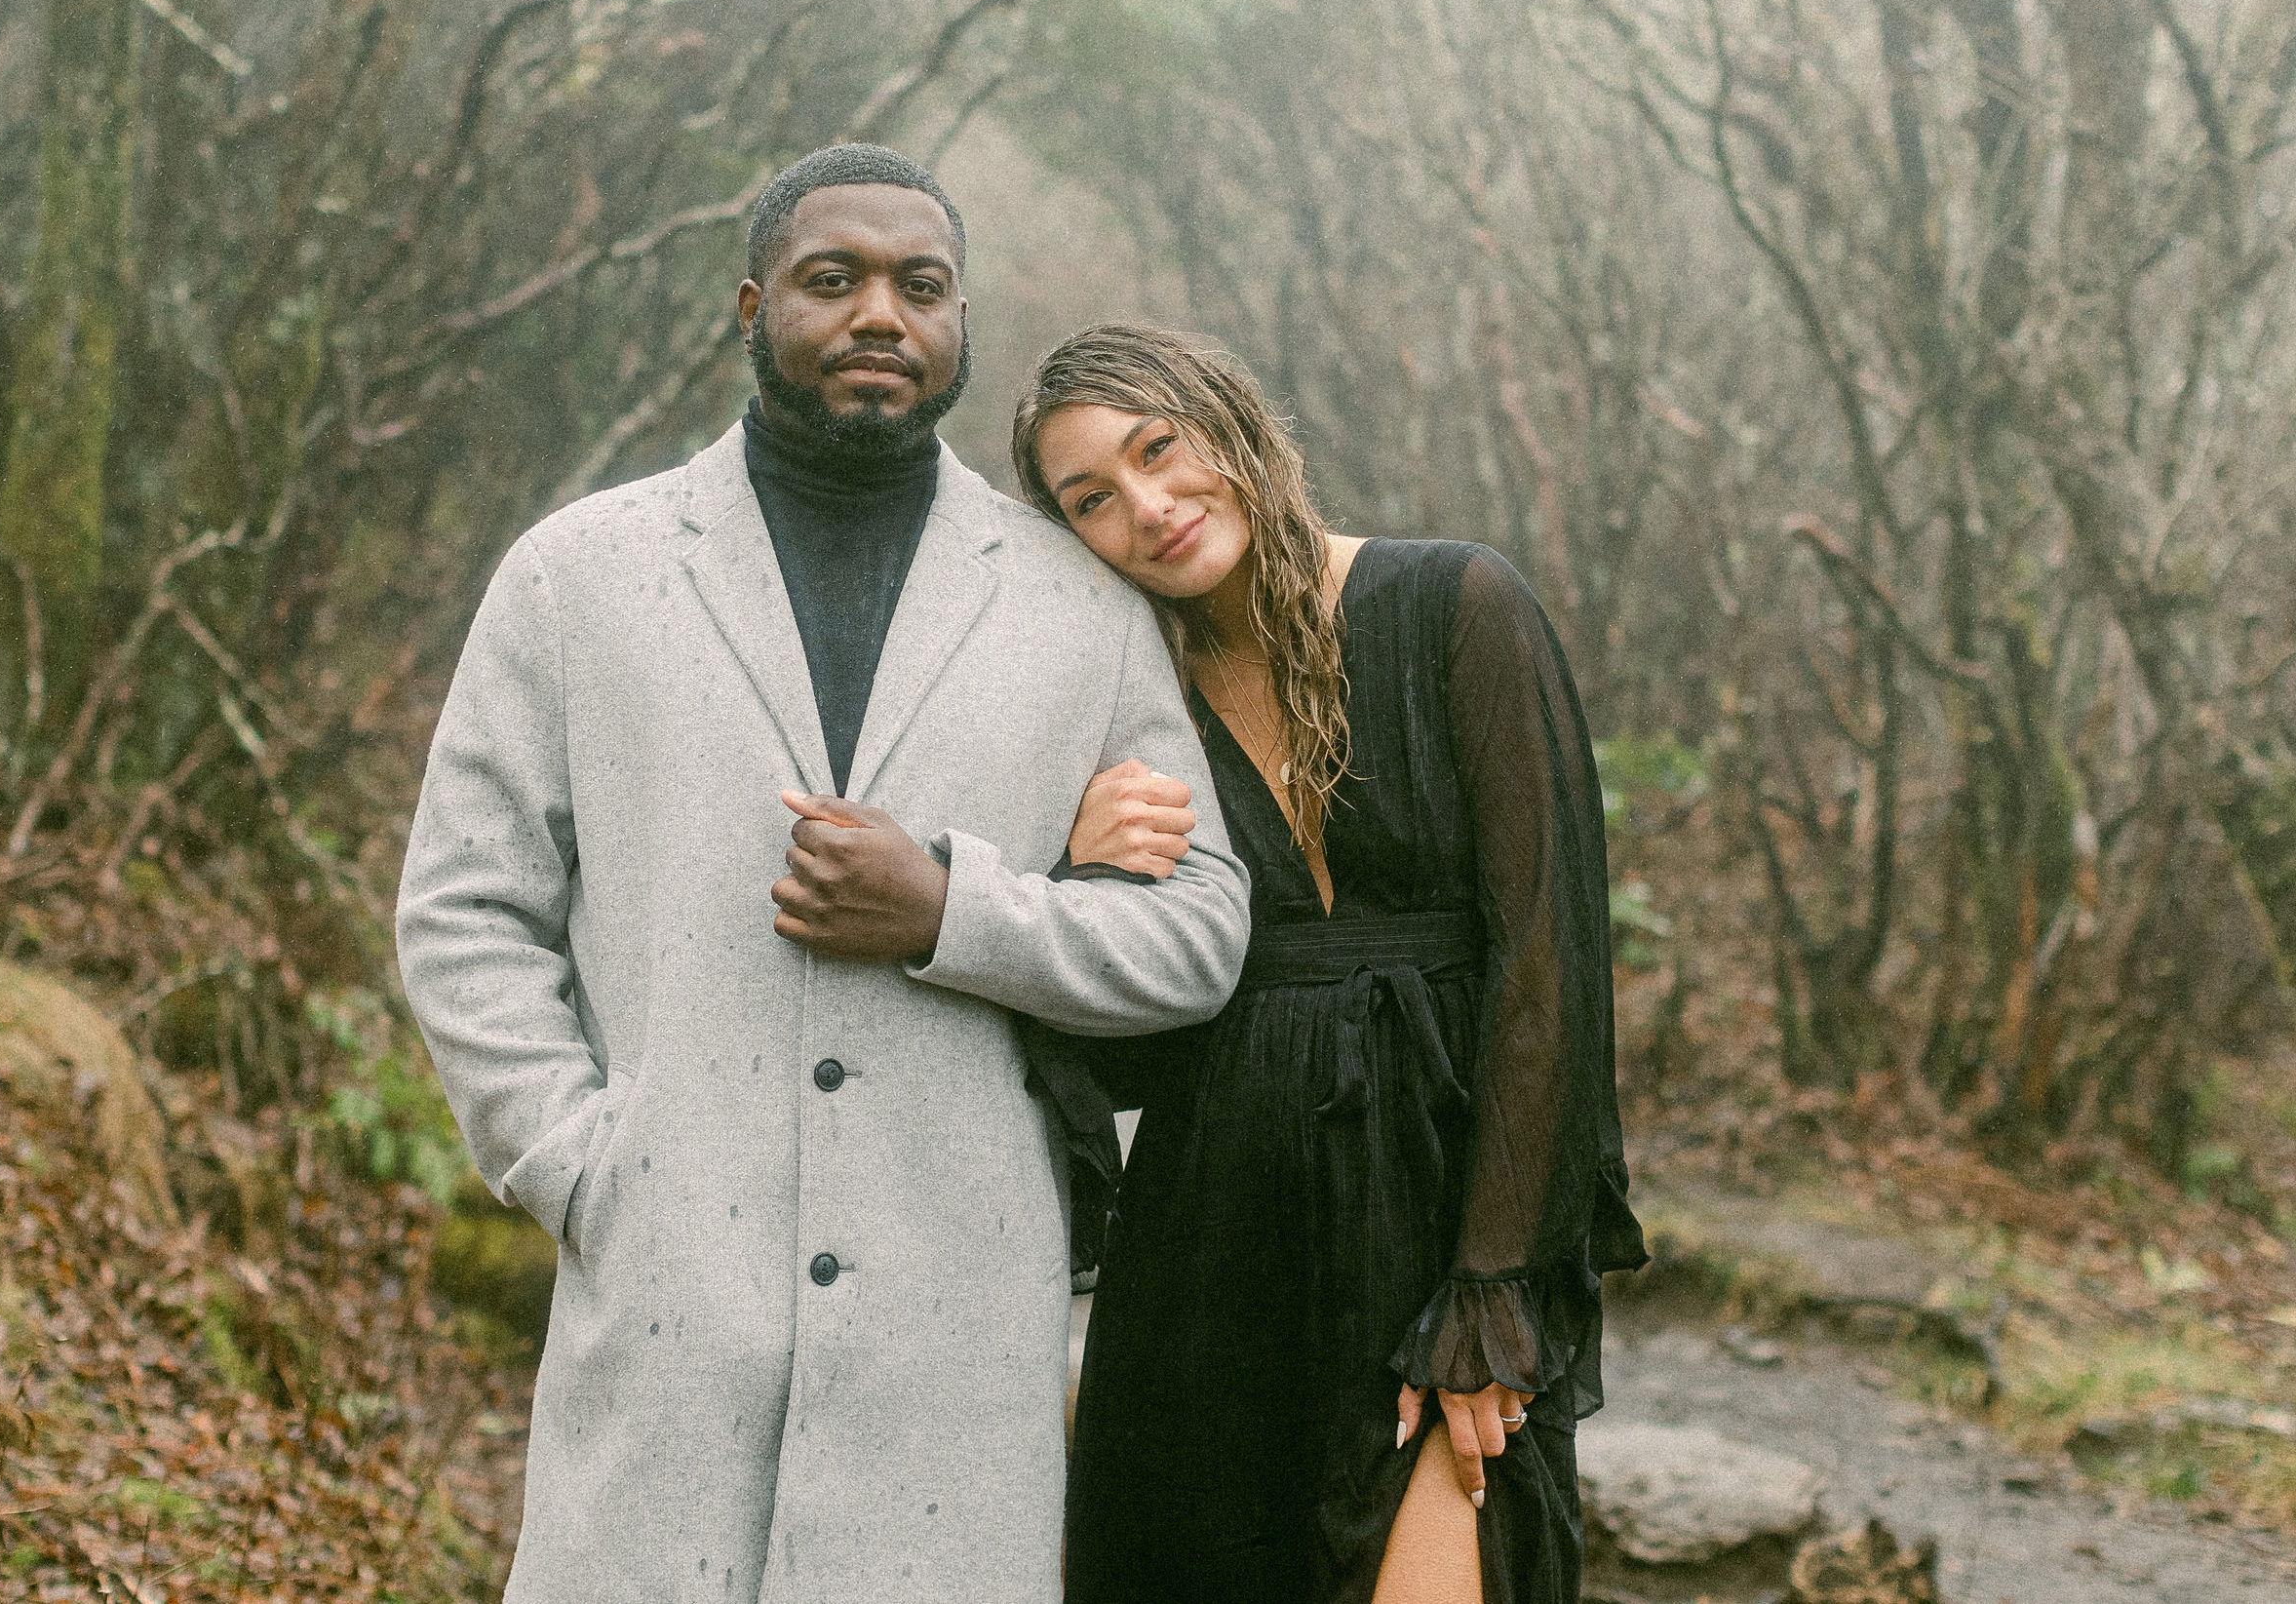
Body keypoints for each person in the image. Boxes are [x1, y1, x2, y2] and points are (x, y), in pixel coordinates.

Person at [394, 151, 1251, 1603]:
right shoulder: (578, 575)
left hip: (959, 1325)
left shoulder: (1080, 605)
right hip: (667, 1299)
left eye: (921, 286)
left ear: (961, 322)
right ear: (753, 308)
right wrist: (582, 1168)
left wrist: (954, 912)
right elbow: (466, 909)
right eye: (831, 279)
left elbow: (1201, 936)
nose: (879, 314)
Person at [1021, 322, 1645, 1604]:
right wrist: (1080, 877)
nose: (1147, 507)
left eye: (1158, 449)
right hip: (1204, 1266)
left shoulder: (1457, 605)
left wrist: (1494, 1285)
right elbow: (1118, 1049)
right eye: (1092, 499)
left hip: (1439, 1237)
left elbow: (1550, 969)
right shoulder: (1130, 705)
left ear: (1229, 424)